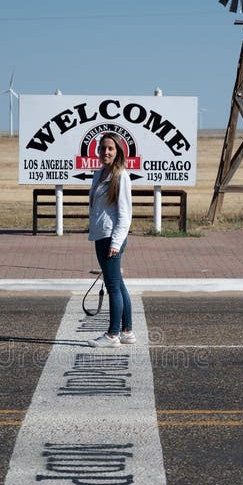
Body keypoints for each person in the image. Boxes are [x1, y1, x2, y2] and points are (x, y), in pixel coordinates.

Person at [87, 132, 136, 348]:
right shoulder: (99, 174)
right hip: (101, 235)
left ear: (117, 152)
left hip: (111, 237)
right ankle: (127, 331)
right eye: (103, 148)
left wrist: (116, 243)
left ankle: (112, 334)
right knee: (119, 285)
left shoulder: (121, 176)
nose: (106, 152)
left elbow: (125, 214)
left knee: (113, 287)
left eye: (110, 149)